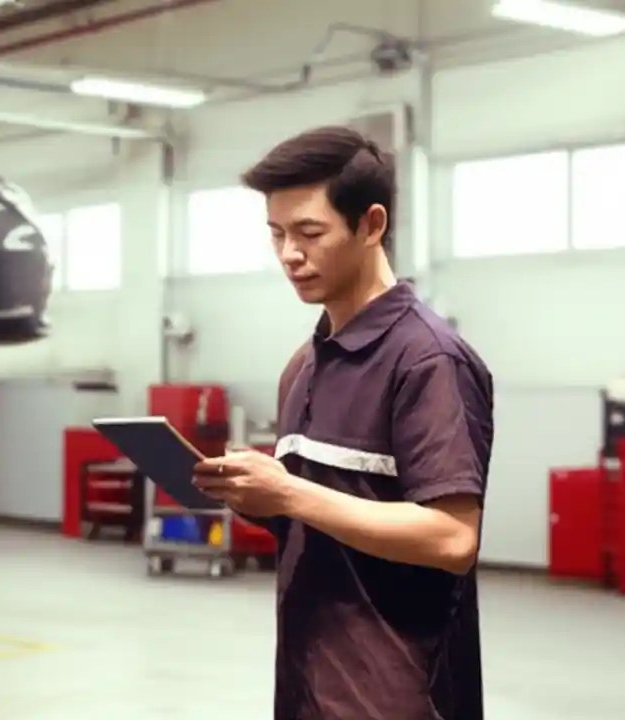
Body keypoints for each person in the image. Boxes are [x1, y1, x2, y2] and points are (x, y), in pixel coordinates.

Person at [191, 126, 494, 720]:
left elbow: (453, 538)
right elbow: (322, 511)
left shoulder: (427, 359)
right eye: (276, 234)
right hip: (309, 687)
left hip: (398, 698)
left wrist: (289, 492)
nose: (289, 255)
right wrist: (257, 497)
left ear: (372, 225)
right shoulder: (305, 364)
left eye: (309, 233)